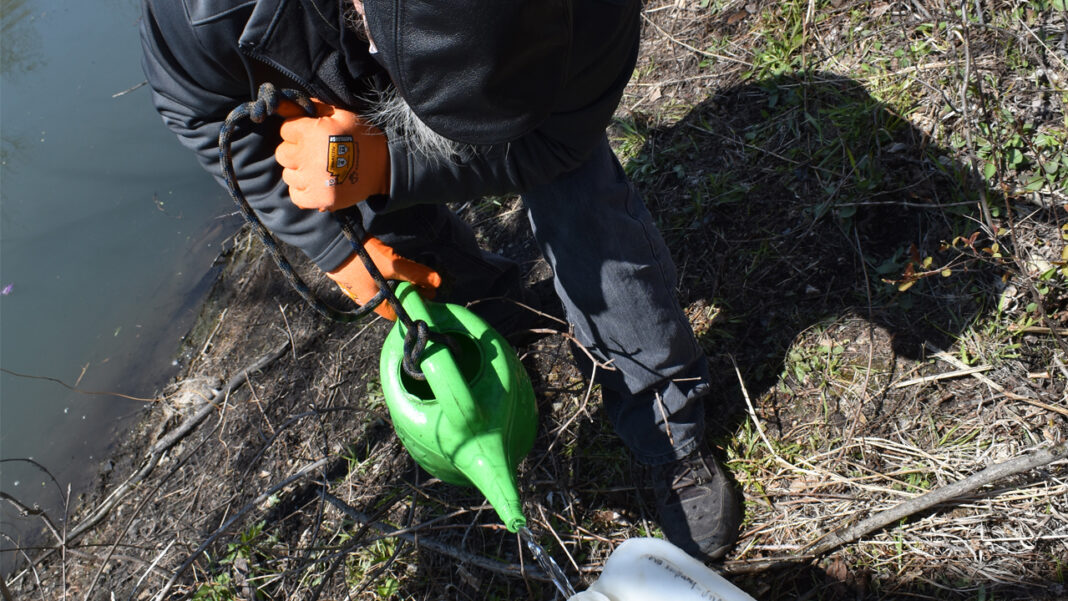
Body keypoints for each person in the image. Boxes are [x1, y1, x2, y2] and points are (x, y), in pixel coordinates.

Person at [140, 0, 742, 560]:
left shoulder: (586, 16)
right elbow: (197, 108)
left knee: (581, 207)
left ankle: (666, 430)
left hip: (534, 69)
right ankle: (493, 318)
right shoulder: (202, 11)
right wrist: (337, 244)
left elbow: (560, 144)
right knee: (380, 221)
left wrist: (390, 163)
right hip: (337, 92)